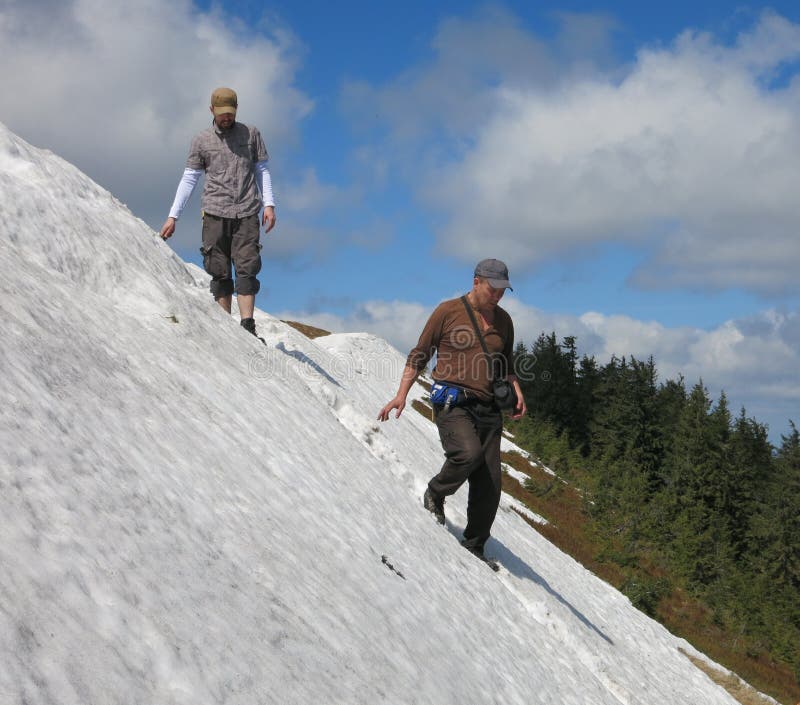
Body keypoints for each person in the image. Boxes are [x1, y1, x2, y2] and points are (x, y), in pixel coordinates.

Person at [377, 259, 527, 562]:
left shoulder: (505, 321)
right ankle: (436, 492)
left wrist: (518, 392)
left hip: (488, 408)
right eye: (493, 288)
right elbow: (420, 353)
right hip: (452, 401)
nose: (498, 295)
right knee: (467, 455)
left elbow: (507, 364)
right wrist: (401, 394)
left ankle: (474, 546)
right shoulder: (447, 311)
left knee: (490, 483)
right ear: (476, 282)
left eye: (503, 290)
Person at [160, 87, 276, 337]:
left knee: (247, 267)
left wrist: (269, 204)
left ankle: (248, 327)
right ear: (211, 110)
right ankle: (227, 333)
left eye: (230, 113)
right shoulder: (201, 140)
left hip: (246, 211)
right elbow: (189, 178)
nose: (226, 118)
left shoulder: (251, 134)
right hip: (214, 212)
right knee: (219, 269)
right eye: (222, 113)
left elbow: (262, 170)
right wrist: (173, 216)